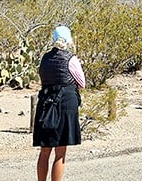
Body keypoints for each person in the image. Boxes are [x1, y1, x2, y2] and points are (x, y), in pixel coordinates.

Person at [34, 25, 85, 181]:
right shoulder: (71, 59)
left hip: (46, 104)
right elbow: (81, 82)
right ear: (68, 40)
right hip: (64, 104)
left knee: (44, 151)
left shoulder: (45, 58)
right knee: (60, 153)